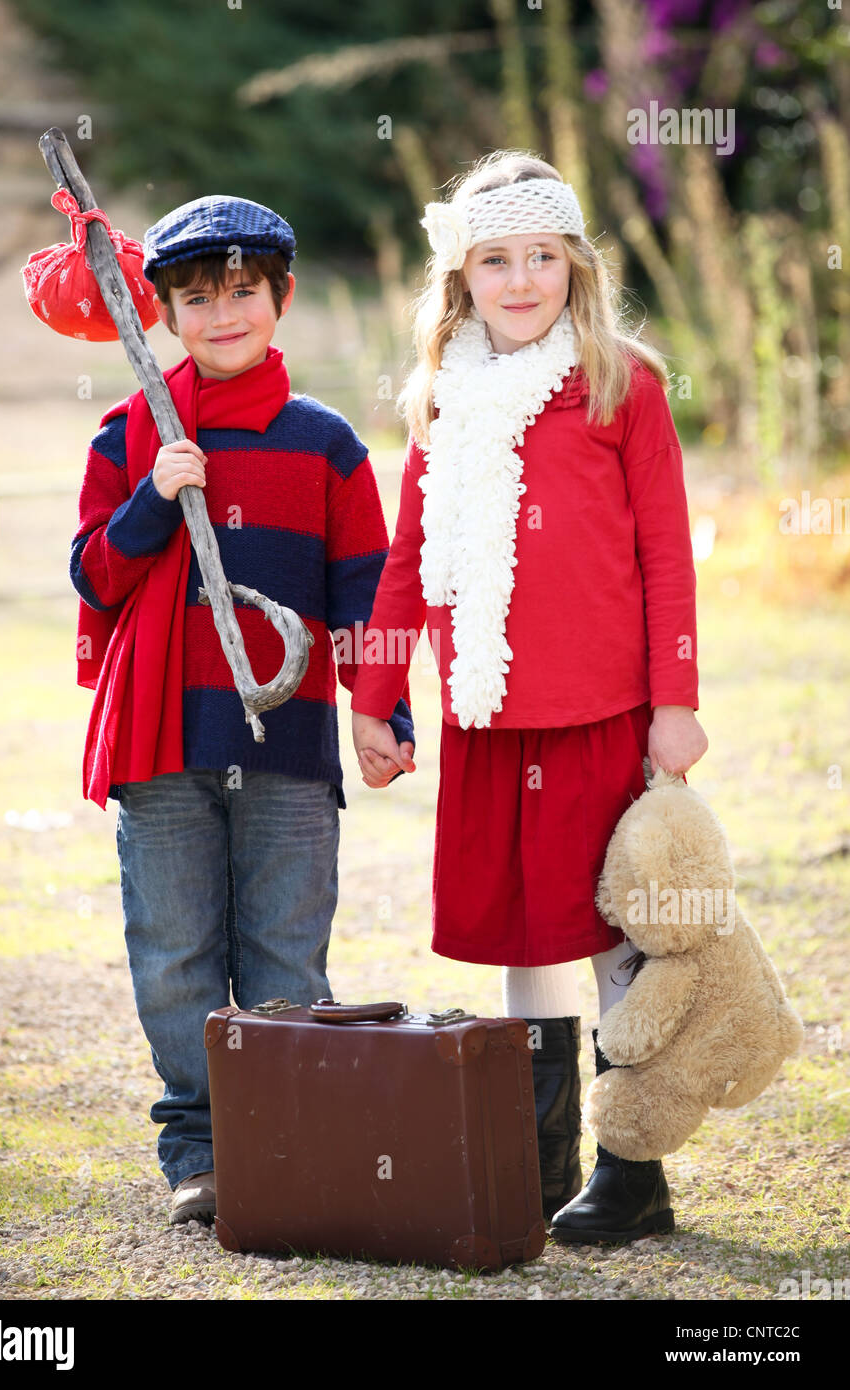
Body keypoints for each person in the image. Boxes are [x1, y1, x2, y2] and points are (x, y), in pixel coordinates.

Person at [350, 151, 708, 1244]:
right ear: (460, 279)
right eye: (494, 260)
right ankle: (540, 1158)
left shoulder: (618, 383)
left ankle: (629, 1166)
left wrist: (675, 699)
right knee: (524, 932)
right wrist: (375, 691)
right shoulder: (441, 398)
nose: (519, 280)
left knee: (615, 935)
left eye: (540, 257)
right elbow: (407, 558)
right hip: (485, 713)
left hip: (599, 710)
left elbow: (666, 553)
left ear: (575, 267)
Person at [69, 194, 415, 1225]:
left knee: (282, 947)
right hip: (162, 738)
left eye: (244, 292)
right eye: (197, 298)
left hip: (289, 743)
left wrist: (379, 710)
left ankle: (284, 1139)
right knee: (173, 948)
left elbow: (366, 588)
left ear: (282, 299)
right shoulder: (127, 435)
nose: (223, 315)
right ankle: (199, 1149)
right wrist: (151, 496)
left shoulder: (325, 443)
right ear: (165, 313)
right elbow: (93, 578)